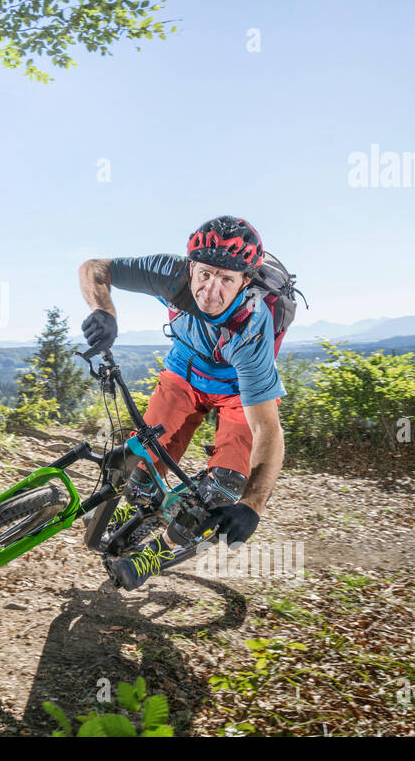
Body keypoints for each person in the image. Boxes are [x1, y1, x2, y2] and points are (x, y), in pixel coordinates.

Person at [77, 215, 285, 590]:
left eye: (226, 279)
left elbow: (266, 428)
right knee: (140, 465)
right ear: (190, 267)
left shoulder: (252, 327)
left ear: (245, 281)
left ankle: (155, 554)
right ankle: (145, 505)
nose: (210, 290)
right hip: (184, 372)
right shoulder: (169, 274)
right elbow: (95, 268)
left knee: (221, 489)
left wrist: (252, 505)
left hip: (238, 391)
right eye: (204, 274)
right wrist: (104, 311)